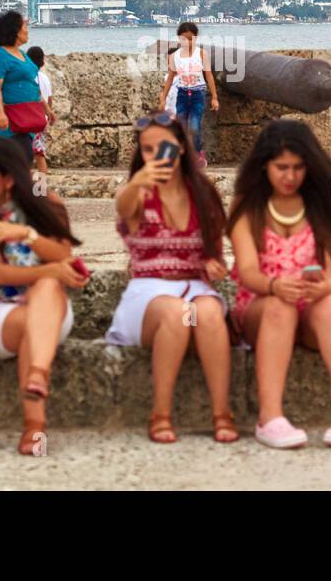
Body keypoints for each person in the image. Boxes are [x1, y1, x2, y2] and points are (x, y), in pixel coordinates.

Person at [227, 119, 331, 449]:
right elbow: (246, 271)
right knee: (280, 306)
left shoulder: (325, 203)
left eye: (298, 167)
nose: (290, 176)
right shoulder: (246, 208)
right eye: (281, 168)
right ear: (264, 167)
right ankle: (270, 417)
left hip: (317, 307)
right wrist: (275, 285)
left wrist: (324, 285)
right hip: (265, 305)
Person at [105, 111, 237, 445]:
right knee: (177, 313)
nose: (156, 156)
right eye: (148, 150)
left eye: (163, 148)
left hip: (194, 291)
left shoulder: (203, 196)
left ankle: (222, 412)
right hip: (149, 296)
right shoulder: (138, 195)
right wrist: (138, 180)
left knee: (205, 312)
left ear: (180, 147)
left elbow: (214, 255)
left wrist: (213, 266)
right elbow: (123, 207)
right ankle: (160, 413)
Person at [0, 135, 88, 455]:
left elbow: (63, 253)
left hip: (48, 310)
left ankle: (37, 379)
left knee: (44, 292)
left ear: (10, 179)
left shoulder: (48, 204)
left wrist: (25, 234)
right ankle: (35, 422)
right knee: (40, 303)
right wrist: (51, 271)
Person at [0, 10, 42, 164]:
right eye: (24, 25)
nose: (27, 28)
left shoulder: (22, 54)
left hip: (29, 115)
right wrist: (0, 113)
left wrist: (45, 107)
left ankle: (13, 185)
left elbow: (31, 81)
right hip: (13, 117)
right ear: (15, 30)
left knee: (28, 156)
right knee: (21, 156)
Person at [161, 22, 219, 169]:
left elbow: (209, 75)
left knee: (194, 126)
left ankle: (198, 153)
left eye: (191, 38)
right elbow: (170, 78)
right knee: (181, 127)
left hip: (197, 94)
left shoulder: (201, 53)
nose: (188, 42)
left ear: (196, 38)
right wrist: (163, 98)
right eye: (184, 38)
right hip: (182, 94)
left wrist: (214, 97)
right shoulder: (175, 56)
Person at [25, 45, 56, 175]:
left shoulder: (28, 78)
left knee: (24, 155)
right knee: (40, 154)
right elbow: (49, 100)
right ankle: (42, 188)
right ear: (42, 62)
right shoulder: (45, 78)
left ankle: (23, 187)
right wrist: (49, 114)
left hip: (29, 119)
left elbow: (36, 98)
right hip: (42, 121)